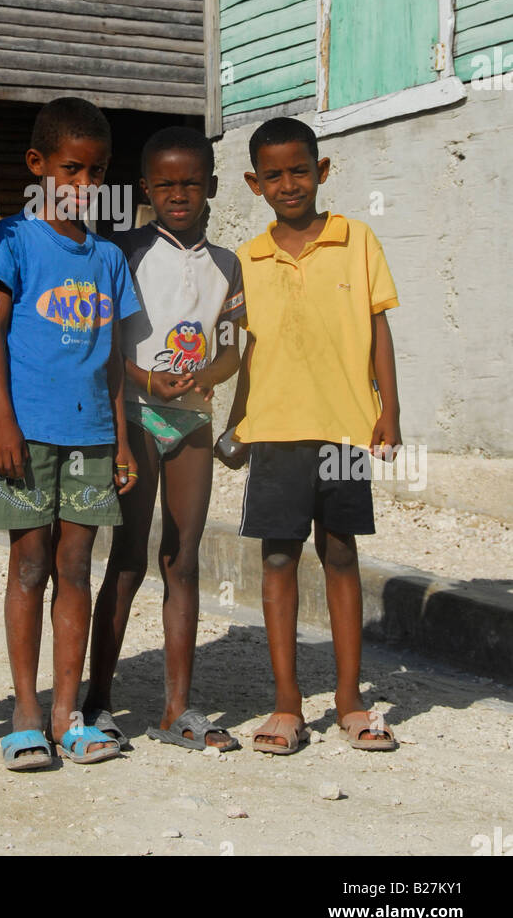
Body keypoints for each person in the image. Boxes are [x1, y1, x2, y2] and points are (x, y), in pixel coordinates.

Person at [223, 116, 400, 754]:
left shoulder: (357, 241)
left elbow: (379, 329)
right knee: (276, 557)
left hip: (345, 430)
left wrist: (390, 411)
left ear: (321, 171)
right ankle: (287, 704)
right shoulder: (246, 260)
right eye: (274, 174)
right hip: (273, 430)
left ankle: (351, 700)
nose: (289, 183)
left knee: (342, 552)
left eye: (300, 169)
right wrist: (235, 421)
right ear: (254, 182)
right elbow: (241, 350)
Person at [0, 97, 141, 770]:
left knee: (75, 567)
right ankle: (24, 712)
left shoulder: (108, 260)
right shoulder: (14, 241)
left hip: (93, 439)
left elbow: (113, 361)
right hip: (27, 435)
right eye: (71, 170)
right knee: (29, 565)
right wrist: (4, 422)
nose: (85, 186)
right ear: (38, 166)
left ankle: (68, 713)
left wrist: (124, 440)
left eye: (97, 172)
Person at [86, 126, 243, 753]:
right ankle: (96, 700)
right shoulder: (122, 253)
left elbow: (230, 348)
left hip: (192, 420)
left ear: (212, 186)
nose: (179, 193)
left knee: (182, 554)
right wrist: (146, 377)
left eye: (192, 183)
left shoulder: (228, 265)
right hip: (134, 414)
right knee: (125, 554)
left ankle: (177, 707)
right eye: (165, 184)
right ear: (146, 188)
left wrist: (200, 377)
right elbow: (103, 344)